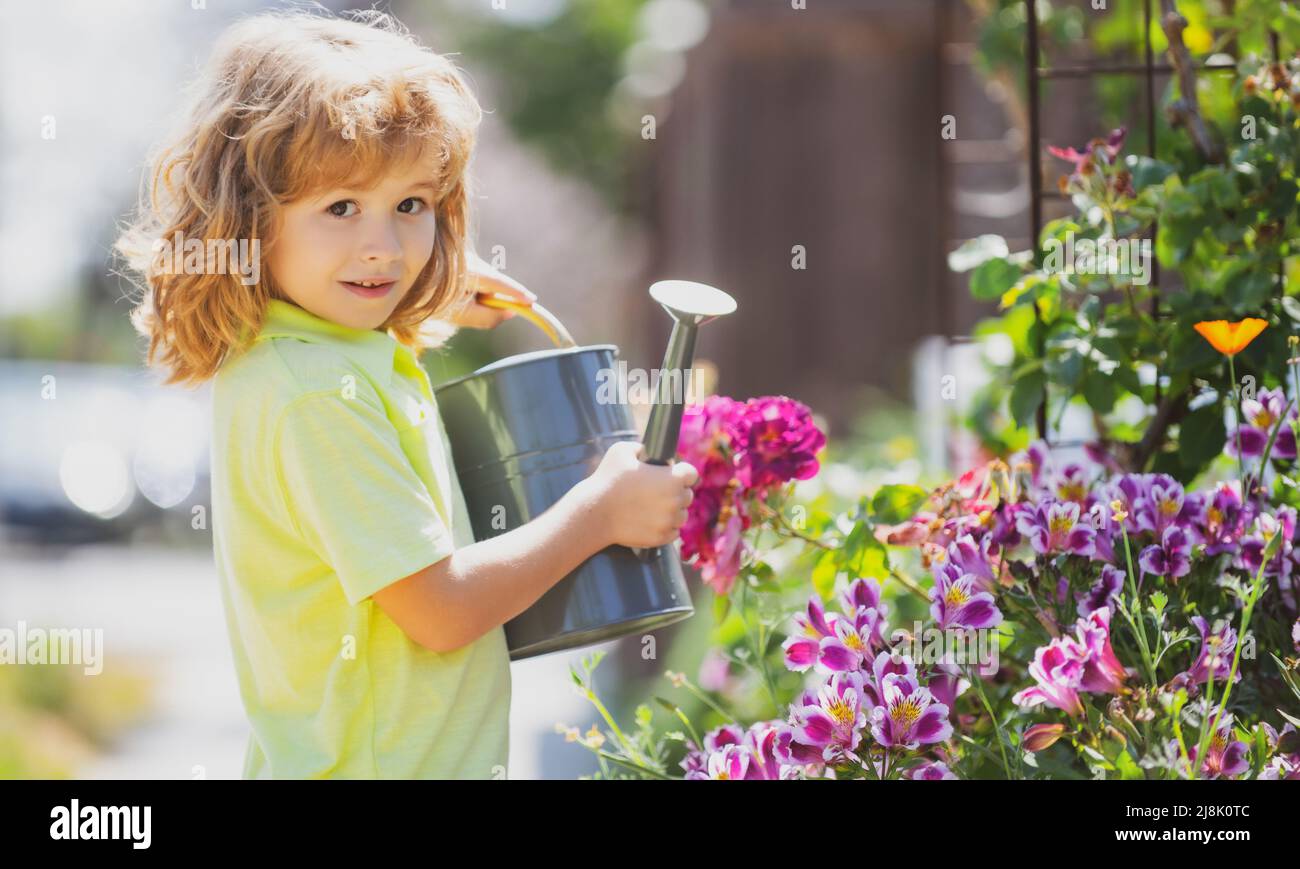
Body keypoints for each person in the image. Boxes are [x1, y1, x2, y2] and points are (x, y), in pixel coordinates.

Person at [114, 7, 697, 779]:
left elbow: (352, 295)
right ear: (253, 223)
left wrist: (437, 291)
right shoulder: (319, 397)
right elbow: (441, 610)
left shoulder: (303, 354)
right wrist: (599, 512)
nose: (383, 249)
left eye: (412, 205)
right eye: (342, 208)